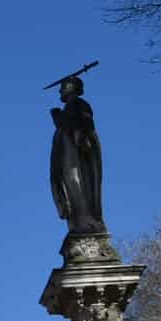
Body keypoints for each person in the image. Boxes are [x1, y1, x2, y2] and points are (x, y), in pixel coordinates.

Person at [49, 74, 105, 233]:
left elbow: (85, 125)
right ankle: (77, 220)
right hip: (67, 151)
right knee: (69, 185)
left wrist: (82, 138)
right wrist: (58, 118)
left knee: (77, 183)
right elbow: (67, 126)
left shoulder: (79, 104)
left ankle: (87, 221)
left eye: (63, 87)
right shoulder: (68, 108)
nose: (60, 90)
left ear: (72, 87)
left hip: (76, 153)